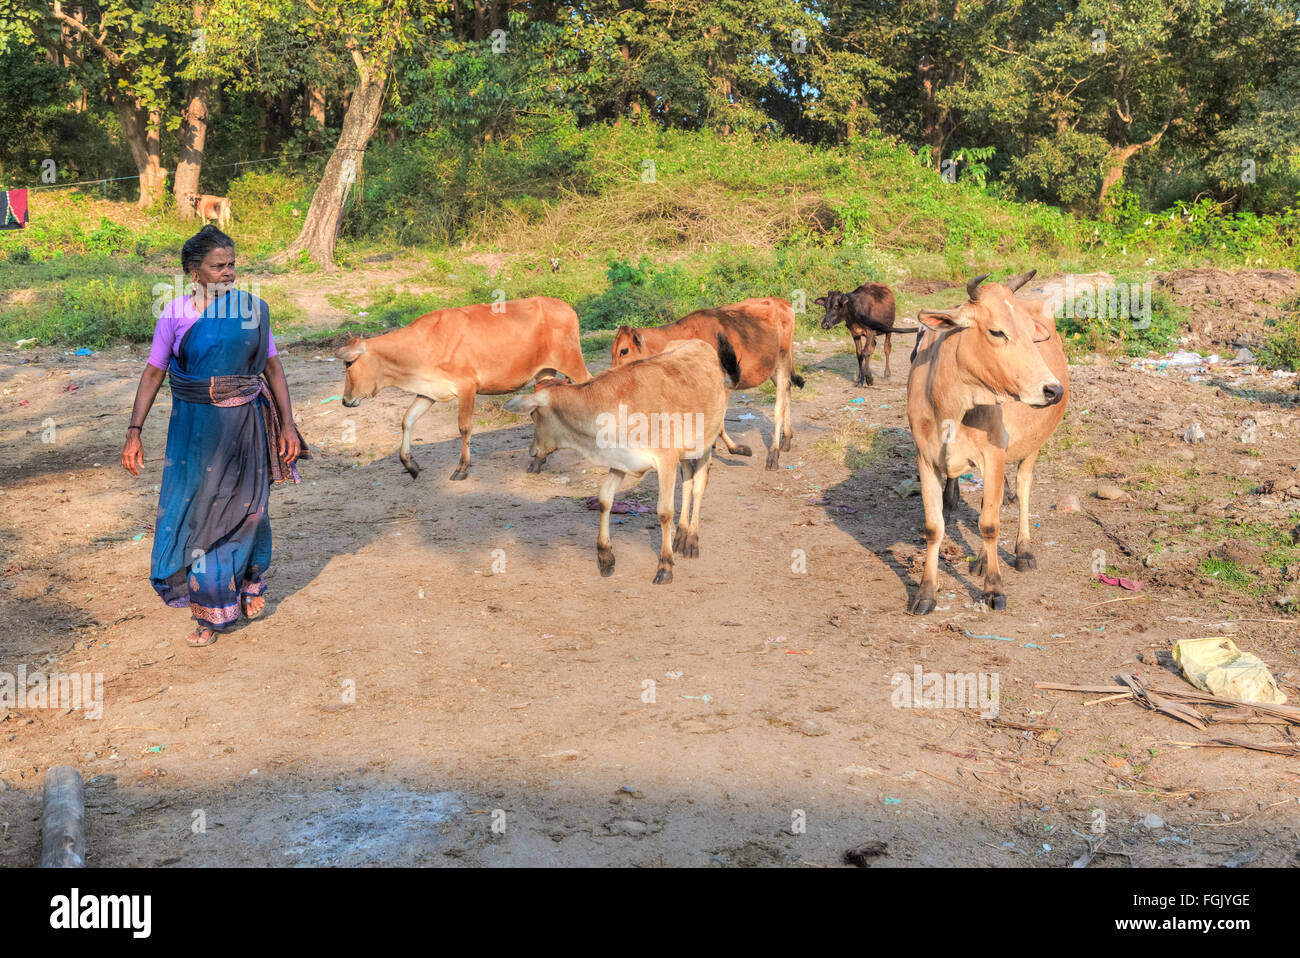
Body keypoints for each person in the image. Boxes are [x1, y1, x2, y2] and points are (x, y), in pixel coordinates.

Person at [121, 225, 304, 647]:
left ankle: (250, 583)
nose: (228, 273)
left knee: (250, 509)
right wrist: (134, 432)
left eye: (232, 265)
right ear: (194, 272)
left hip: (248, 424)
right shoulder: (176, 315)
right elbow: (154, 373)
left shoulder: (253, 310)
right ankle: (210, 611)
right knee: (204, 513)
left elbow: (272, 368)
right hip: (196, 431)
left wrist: (288, 425)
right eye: (218, 266)